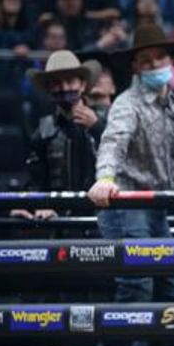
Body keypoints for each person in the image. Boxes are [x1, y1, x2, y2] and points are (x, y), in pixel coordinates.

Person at [88, 24, 174, 346]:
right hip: (125, 205)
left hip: (157, 208)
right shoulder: (126, 104)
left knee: (170, 294)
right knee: (137, 286)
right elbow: (113, 142)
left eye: (159, 58)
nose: (153, 65)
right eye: (145, 60)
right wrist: (105, 177)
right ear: (135, 67)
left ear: (171, 62)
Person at [23, 51, 106, 221]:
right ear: (48, 90)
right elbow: (35, 180)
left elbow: (126, 161)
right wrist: (41, 206)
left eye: (70, 81)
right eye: (56, 83)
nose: (64, 88)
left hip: (104, 219)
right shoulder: (43, 130)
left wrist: (98, 128)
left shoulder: (107, 119)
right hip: (59, 220)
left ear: (83, 85)